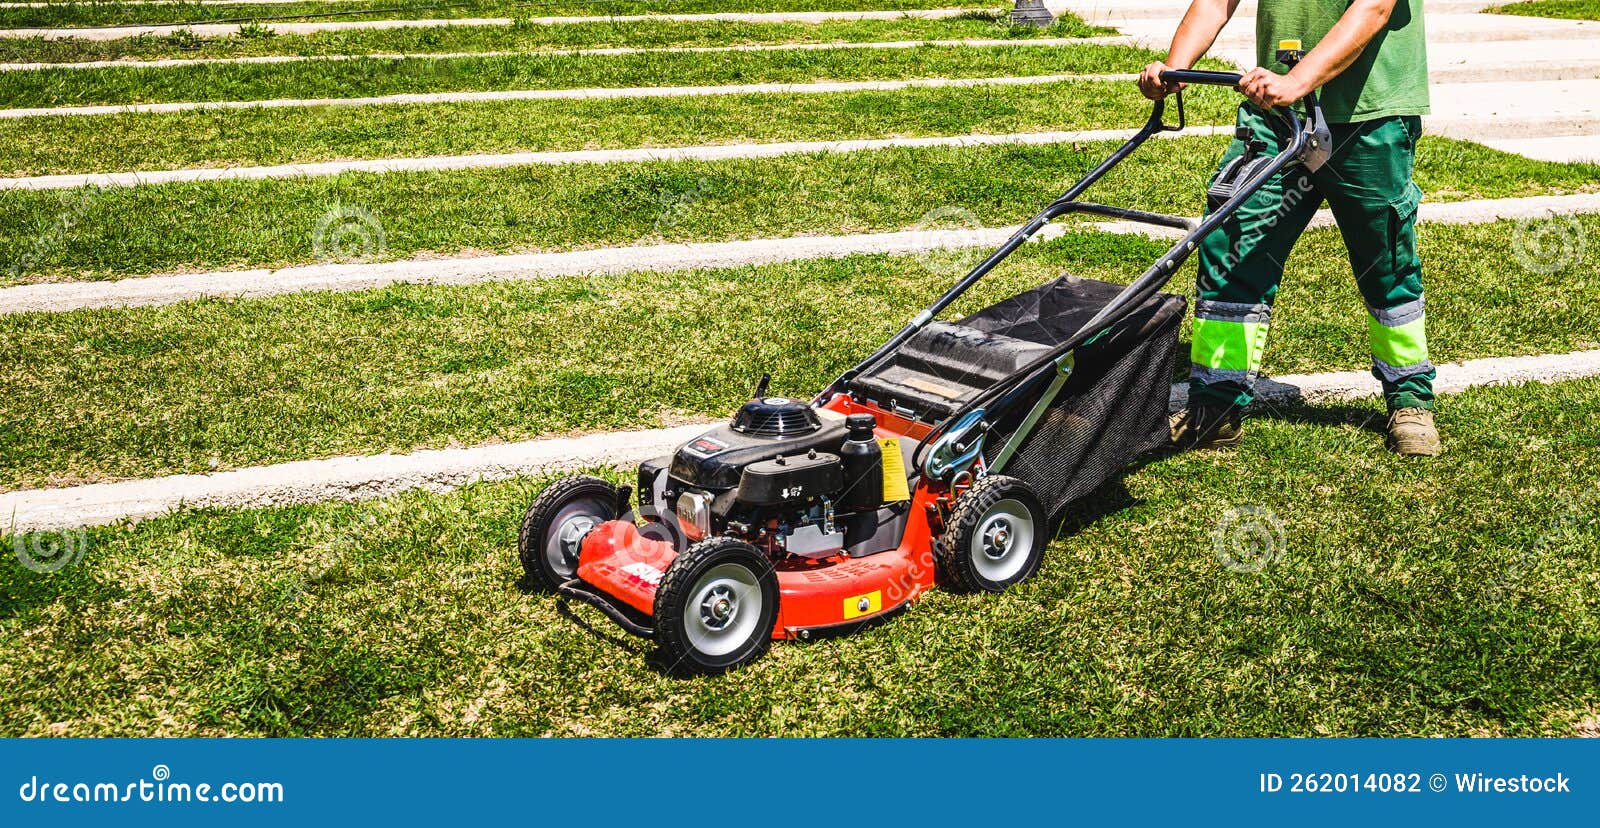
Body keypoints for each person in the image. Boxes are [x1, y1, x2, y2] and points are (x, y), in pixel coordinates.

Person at [1142, 0, 1441, 456]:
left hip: (1369, 115)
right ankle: (1216, 407)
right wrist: (1176, 67)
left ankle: (1410, 397)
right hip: (1273, 113)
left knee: (1385, 258)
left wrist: (1297, 82)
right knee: (1234, 241)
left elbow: (1375, 8)